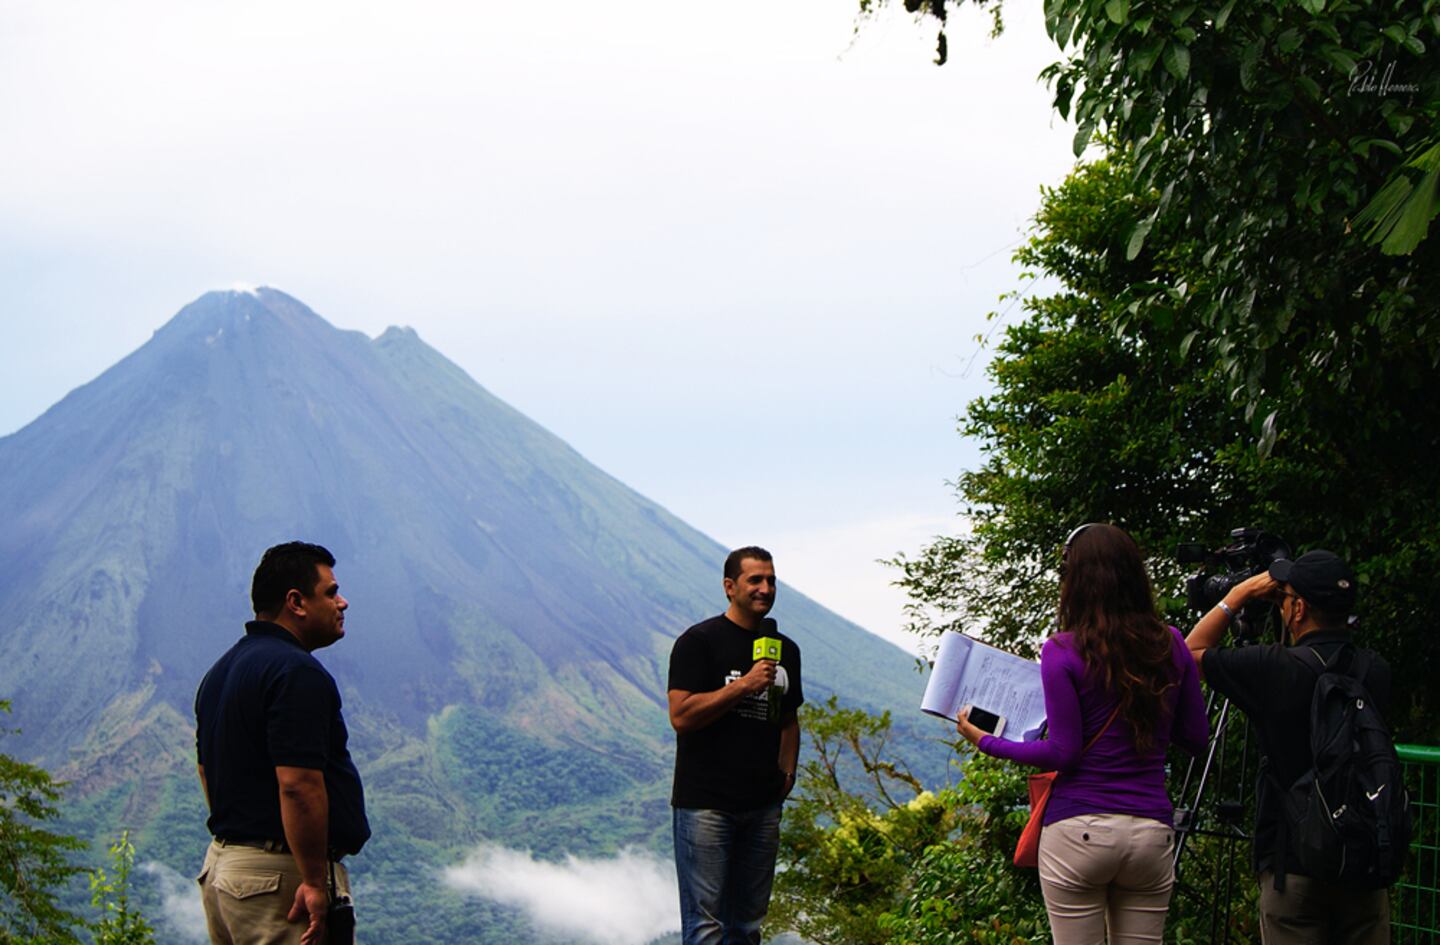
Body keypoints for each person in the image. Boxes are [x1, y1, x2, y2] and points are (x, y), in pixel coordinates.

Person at [956, 523, 1209, 945]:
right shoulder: (1172, 645)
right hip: (1150, 832)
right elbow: (1197, 739)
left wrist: (986, 740)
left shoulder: (1063, 650)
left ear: (1075, 579)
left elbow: (1064, 751)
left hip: (1080, 829)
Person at [1185, 549, 1392, 944]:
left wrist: (1240, 593)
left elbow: (1189, 653)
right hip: (1364, 859)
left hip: (1292, 860)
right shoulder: (1375, 671)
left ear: (1297, 609)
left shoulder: (1272, 667)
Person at [194, 542, 370, 945]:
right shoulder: (295, 672)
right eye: (330, 592)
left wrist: (241, 837)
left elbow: (205, 769)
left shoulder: (221, 672)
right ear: (296, 602)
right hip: (279, 881)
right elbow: (299, 784)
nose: (342, 602)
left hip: (224, 870)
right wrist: (312, 880)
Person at [667, 546, 804, 945]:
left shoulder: (786, 650)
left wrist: (787, 773)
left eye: (771, 580)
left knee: (747, 926)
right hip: (705, 804)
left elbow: (789, 719)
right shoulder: (699, 642)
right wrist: (743, 685)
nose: (765, 588)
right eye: (755, 580)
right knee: (706, 926)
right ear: (730, 587)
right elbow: (682, 716)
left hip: (762, 805)